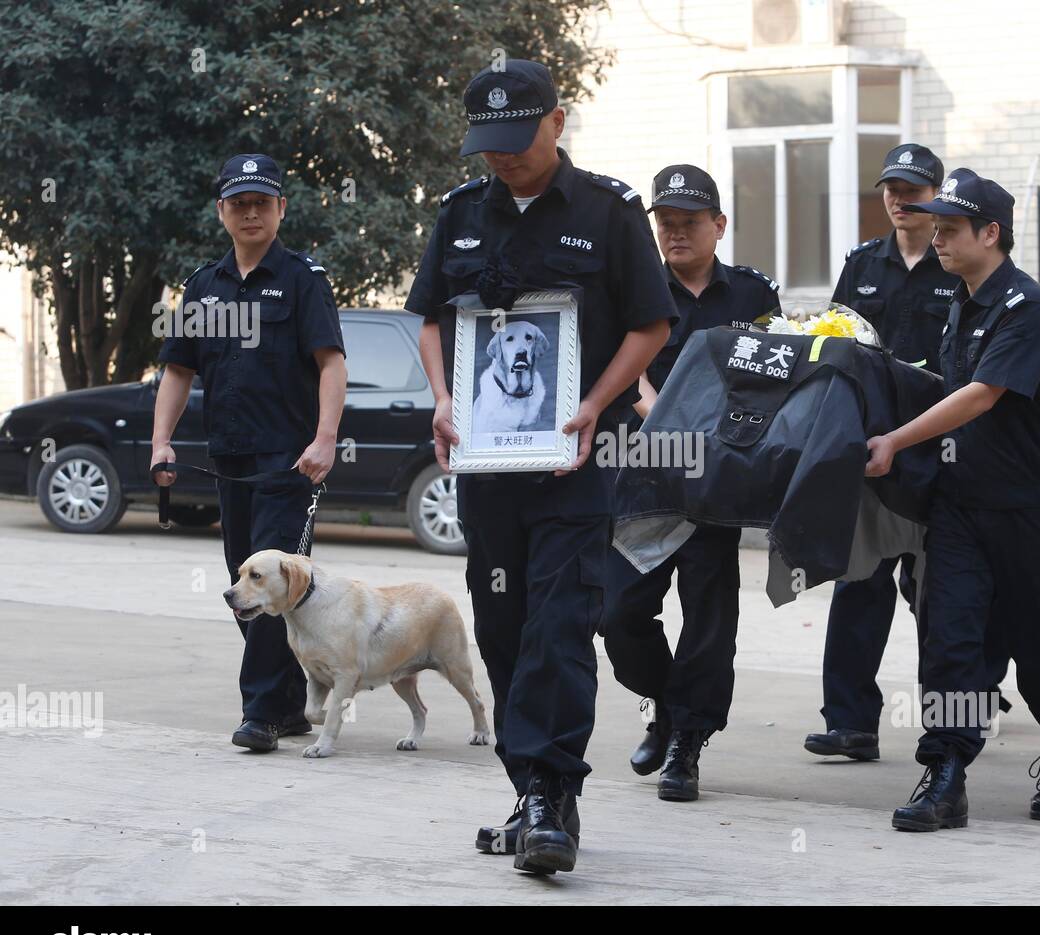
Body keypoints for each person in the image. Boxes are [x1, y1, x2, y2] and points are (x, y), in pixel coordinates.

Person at [403, 59, 675, 875]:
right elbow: (428, 321)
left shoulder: (610, 211)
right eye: (488, 145)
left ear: (557, 123)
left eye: (517, 141)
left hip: (573, 469)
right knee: (503, 632)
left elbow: (650, 326)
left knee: (560, 628)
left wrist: (595, 402)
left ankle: (553, 798)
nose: (502, 158)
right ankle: (528, 791)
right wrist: (443, 398)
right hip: (488, 474)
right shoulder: (457, 215)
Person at [864, 167, 1040, 830]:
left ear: (991, 233)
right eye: (935, 225)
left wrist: (897, 439)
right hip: (961, 503)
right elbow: (947, 384)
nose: (937, 236)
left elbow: (980, 394)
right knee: (950, 641)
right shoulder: (961, 301)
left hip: (1031, 506)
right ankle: (945, 772)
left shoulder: (1030, 307)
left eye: (952, 227)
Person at [803, 143, 1008, 762]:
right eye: (890, 189)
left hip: (943, 444)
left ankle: (957, 711)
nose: (897, 200)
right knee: (859, 579)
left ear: (938, 195)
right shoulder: (864, 263)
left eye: (912, 190)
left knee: (944, 590)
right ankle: (850, 722)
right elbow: (833, 340)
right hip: (872, 446)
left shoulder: (960, 262)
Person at [150, 153, 347, 753]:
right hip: (229, 461)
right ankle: (287, 703)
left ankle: (260, 711)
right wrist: (162, 440)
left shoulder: (303, 279)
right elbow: (178, 370)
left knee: (266, 583)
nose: (251, 213)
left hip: (289, 462)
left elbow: (330, 363)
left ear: (281, 209)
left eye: (263, 202)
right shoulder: (203, 286)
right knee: (247, 582)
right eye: (239, 204)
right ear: (222, 212)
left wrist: (325, 438)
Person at [601, 163, 780, 802]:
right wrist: (664, 418)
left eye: (689, 222)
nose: (675, 233)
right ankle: (668, 702)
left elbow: (771, 379)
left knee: (710, 616)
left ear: (719, 225)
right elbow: (626, 371)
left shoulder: (753, 294)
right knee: (619, 612)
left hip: (720, 480)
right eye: (666, 223)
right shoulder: (634, 285)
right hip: (644, 477)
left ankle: (687, 744)